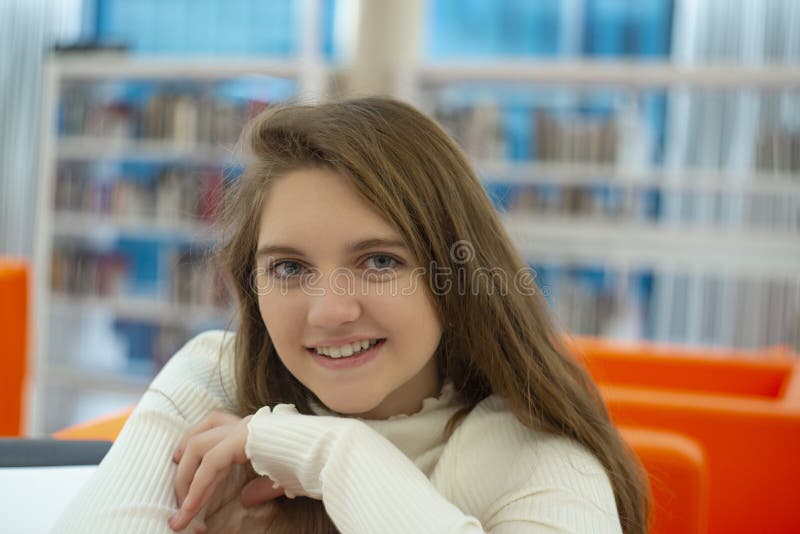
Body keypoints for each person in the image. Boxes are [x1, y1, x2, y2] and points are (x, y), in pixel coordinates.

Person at [53, 97, 649, 533]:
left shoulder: (539, 458)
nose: (330, 311)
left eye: (380, 261)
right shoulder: (215, 374)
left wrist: (333, 453)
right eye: (289, 268)